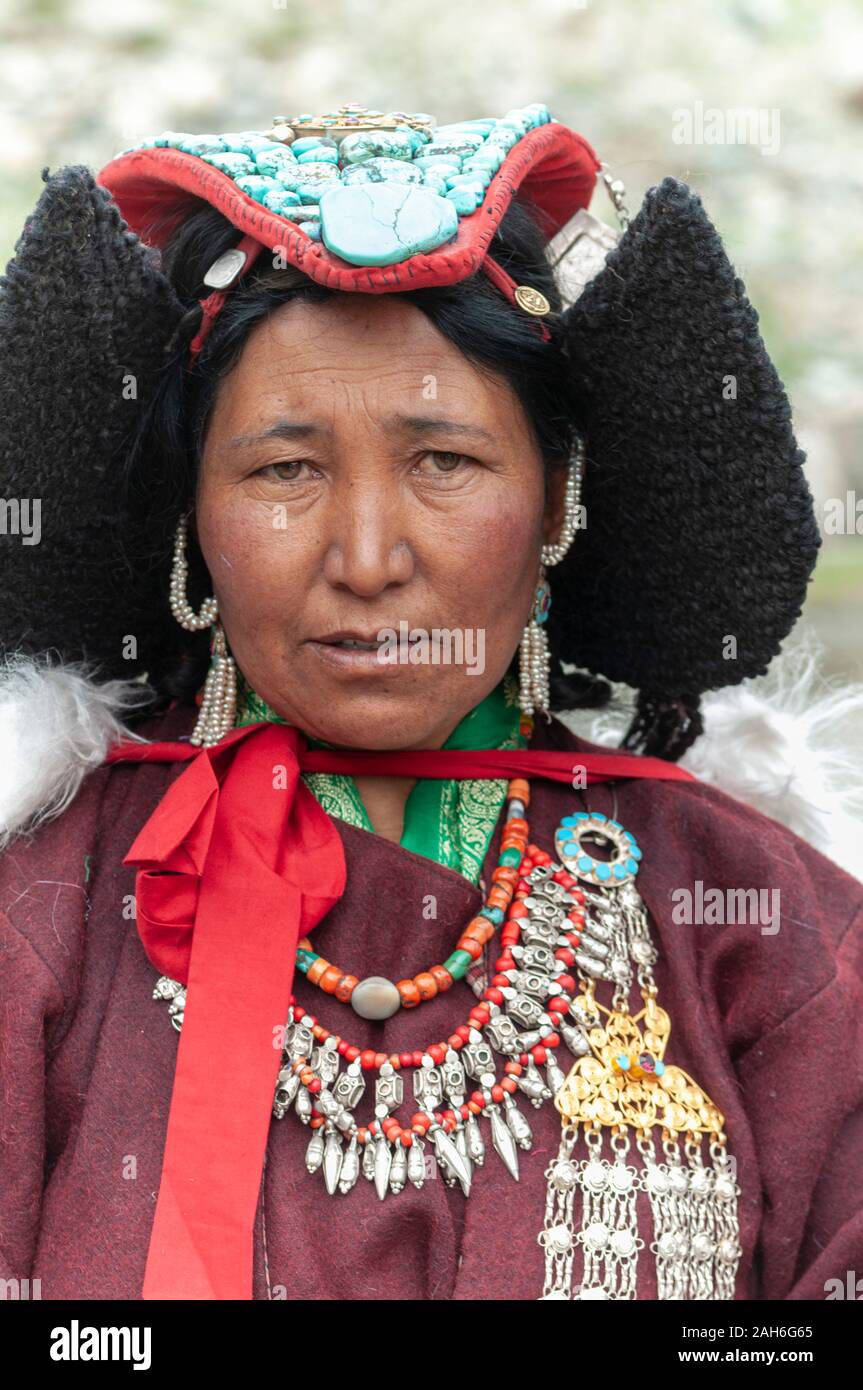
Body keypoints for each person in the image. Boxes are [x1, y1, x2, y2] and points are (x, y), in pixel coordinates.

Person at [0, 101, 860, 1302]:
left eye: (441, 461)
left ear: (556, 497)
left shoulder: (768, 932)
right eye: (284, 468)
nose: (365, 557)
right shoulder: (36, 910)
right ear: (192, 517)